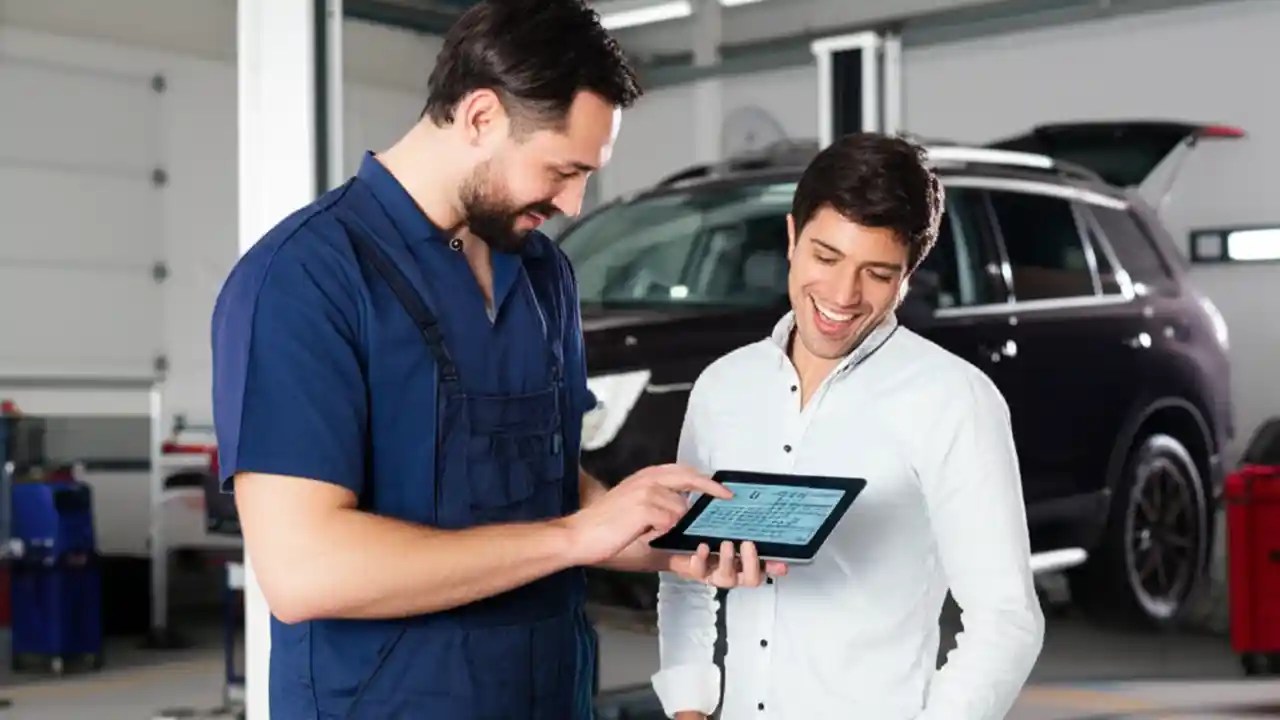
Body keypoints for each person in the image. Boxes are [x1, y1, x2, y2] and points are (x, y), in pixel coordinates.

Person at [210, 2, 779, 717]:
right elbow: (304, 571)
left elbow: (546, 481)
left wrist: (676, 536)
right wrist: (574, 538)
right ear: (481, 116)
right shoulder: (303, 279)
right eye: (562, 170)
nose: (573, 203)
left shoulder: (543, 273)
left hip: (548, 692)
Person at [650, 133, 1045, 720]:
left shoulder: (952, 399)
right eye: (826, 257)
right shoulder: (722, 389)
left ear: (909, 274)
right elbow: (686, 577)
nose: (841, 295)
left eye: (877, 273)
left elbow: (1005, 617)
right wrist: (688, 706)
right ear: (791, 238)